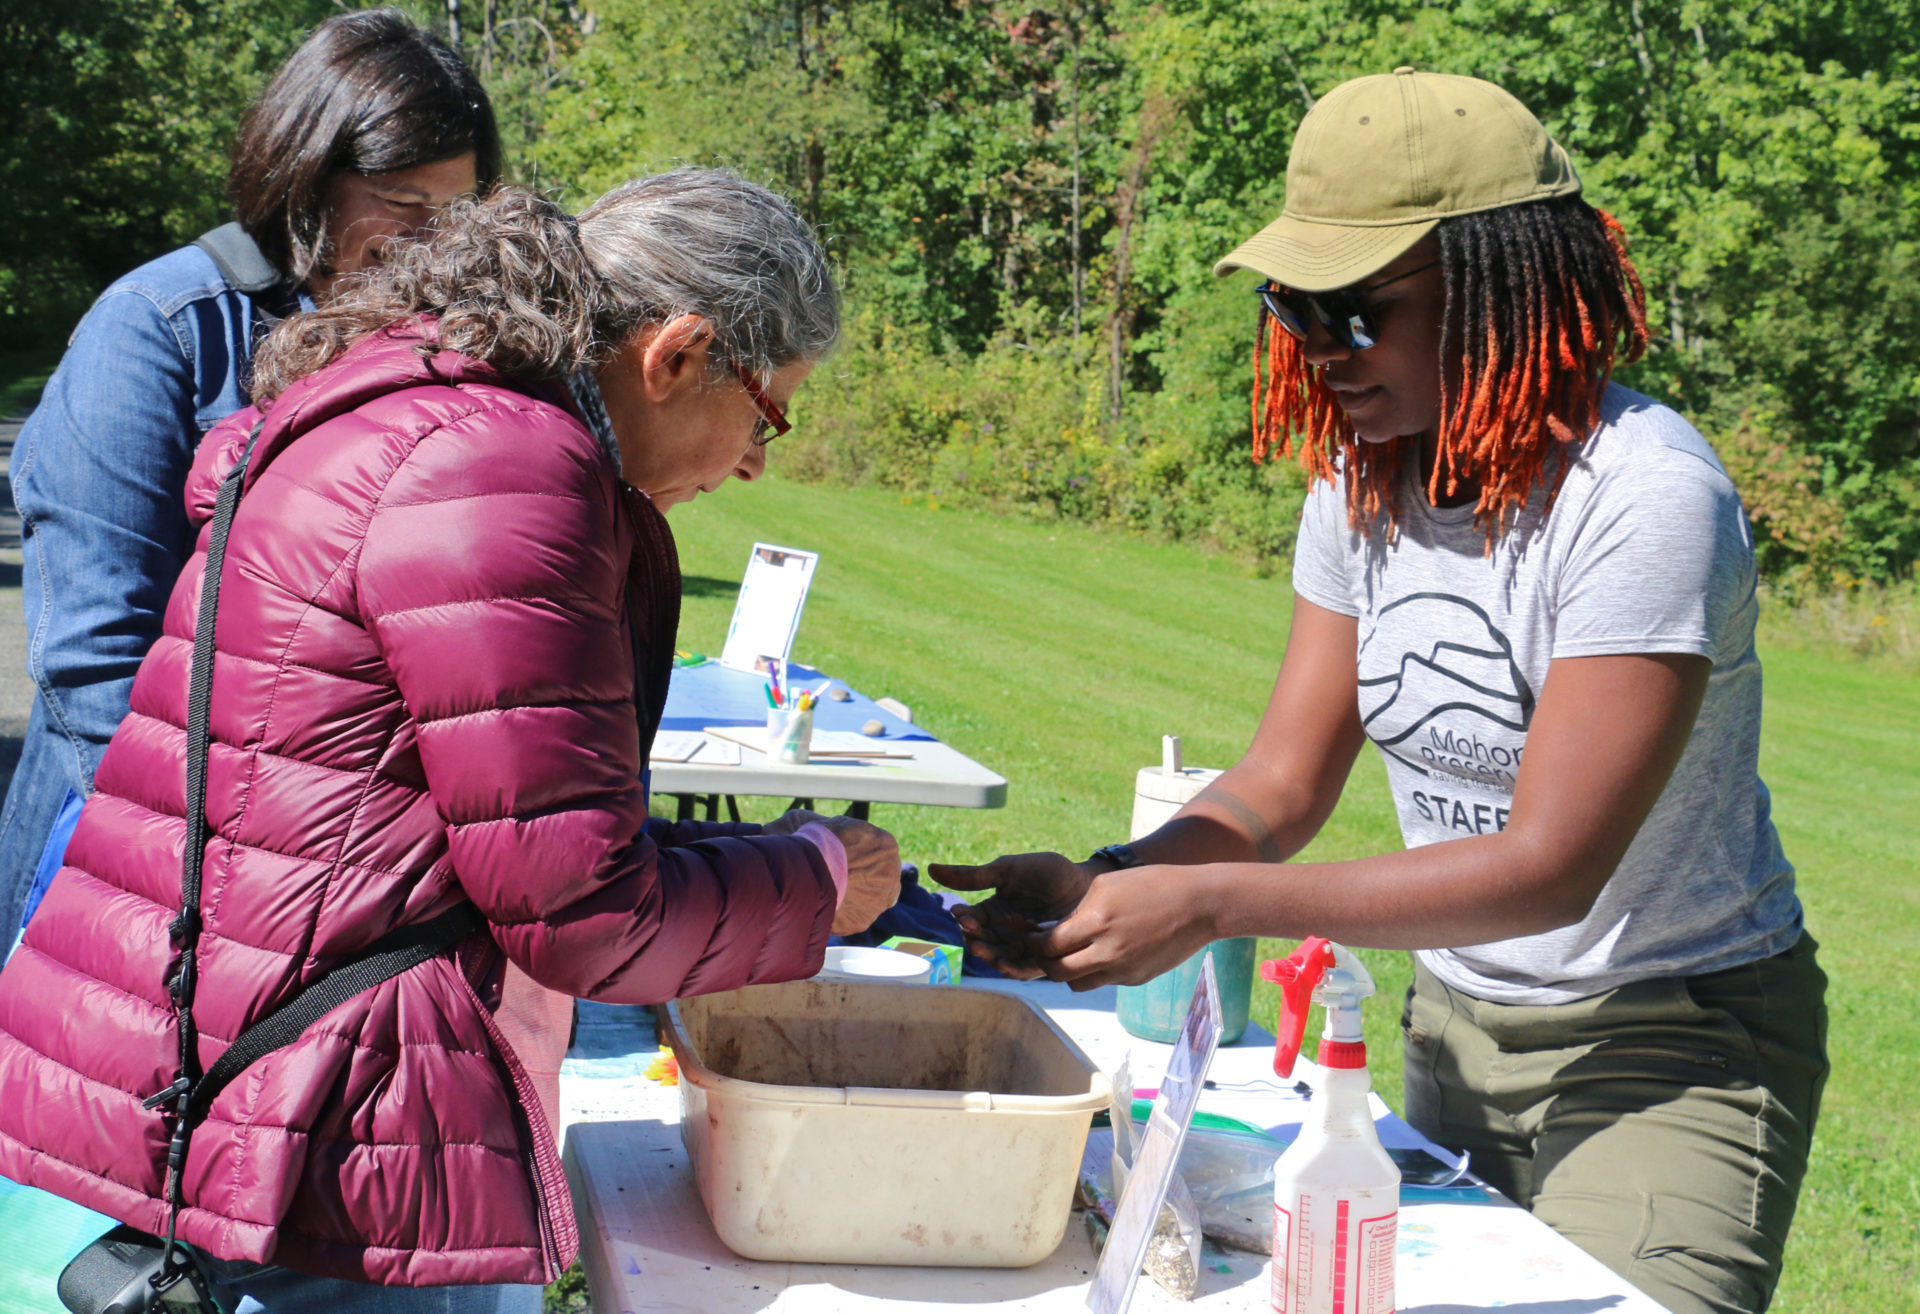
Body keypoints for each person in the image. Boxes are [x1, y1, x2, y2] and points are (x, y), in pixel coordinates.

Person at [935, 69, 1826, 1314]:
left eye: (1354, 311)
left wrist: (1209, 905)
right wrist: (1117, 875)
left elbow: (1549, 868)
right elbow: (1280, 783)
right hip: (1454, 1025)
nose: (1317, 348)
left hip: (1666, 1050)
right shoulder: (1362, 486)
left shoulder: (1645, 497)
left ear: (1507, 287)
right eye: (1293, 309)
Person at [0, 172, 901, 1310]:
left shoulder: (423, 410)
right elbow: (583, 913)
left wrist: (746, 859)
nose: (758, 459)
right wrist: (819, 877)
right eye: (768, 412)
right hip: (334, 1129)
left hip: (255, 1079)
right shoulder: (505, 466)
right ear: (677, 354)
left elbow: (492, 822)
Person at [0, 7, 499, 947]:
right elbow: (94, 662)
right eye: (401, 201)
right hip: (140, 873)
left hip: (335, 887)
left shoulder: (444, 345)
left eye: (458, 210)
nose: (434, 242)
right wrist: (228, 875)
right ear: (304, 177)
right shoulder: (161, 327)